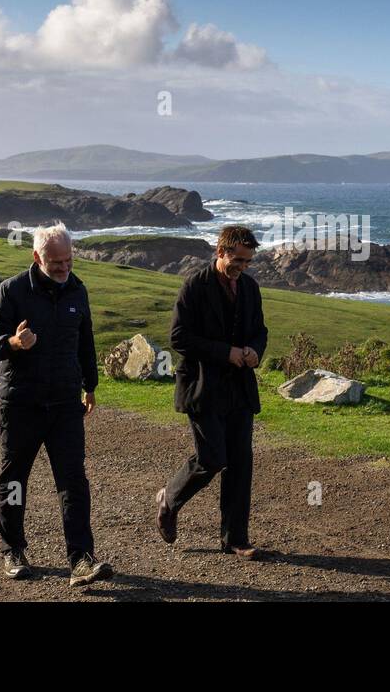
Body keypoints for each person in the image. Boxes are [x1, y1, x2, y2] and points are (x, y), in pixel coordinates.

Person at [0, 222, 111, 586]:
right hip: (21, 404)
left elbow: (85, 340)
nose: (65, 268)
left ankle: (82, 559)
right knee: (15, 479)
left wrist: (91, 385)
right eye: (56, 263)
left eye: (69, 260)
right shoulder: (10, 292)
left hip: (66, 403)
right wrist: (13, 344)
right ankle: (13, 549)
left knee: (73, 481)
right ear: (37, 257)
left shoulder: (77, 290)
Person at [156, 225, 268, 560]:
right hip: (202, 387)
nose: (242, 267)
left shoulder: (249, 287)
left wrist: (253, 351)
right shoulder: (194, 286)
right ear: (221, 252)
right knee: (212, 458)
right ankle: (169, 499)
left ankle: (235, 538)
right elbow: (179, 338)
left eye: (248, 262)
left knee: (240, 463)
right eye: (238, 260)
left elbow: (260, 331)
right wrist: (225, 352)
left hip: (239, 388)